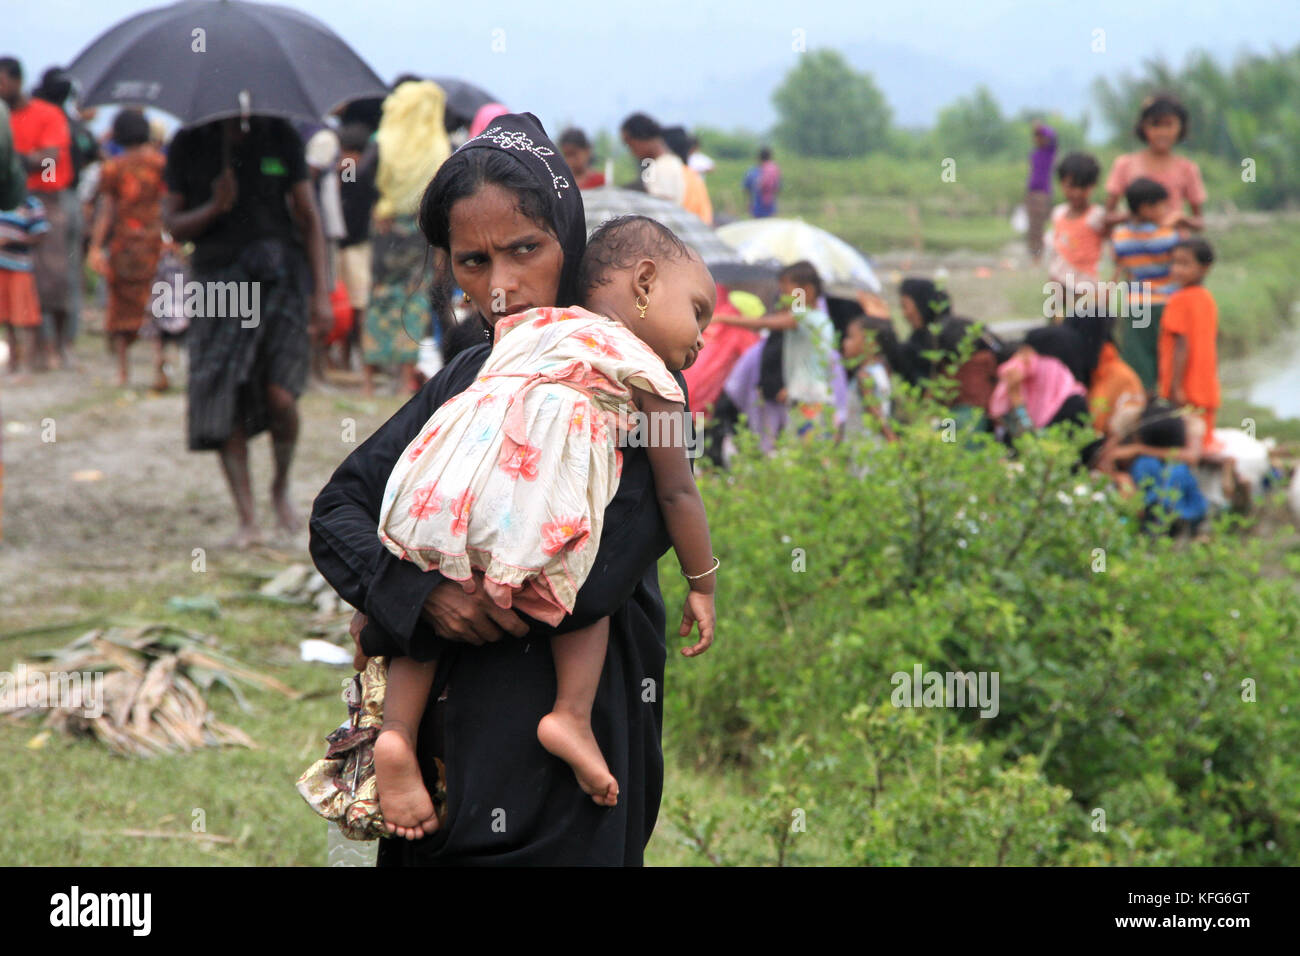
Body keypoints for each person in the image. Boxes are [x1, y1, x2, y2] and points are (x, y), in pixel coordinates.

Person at [308, 111, 693, 866]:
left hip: (571, 739)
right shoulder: (465, 379)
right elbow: (336, 513)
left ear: (570, 240)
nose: (503, 287)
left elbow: (600, 572)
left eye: (526, 249)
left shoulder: (640, 382)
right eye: (472, 261)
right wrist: (423, 599)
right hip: (445, 757)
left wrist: (402, 609)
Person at [371, 216, 717, 837]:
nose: (700, 342)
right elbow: (677, 490)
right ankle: (570, 715)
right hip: (531, 499)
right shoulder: (651, 377)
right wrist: (703, 580)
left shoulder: (526, 331)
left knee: (433, 582)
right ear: (644, 282)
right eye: (697, 313)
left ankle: (395, 733)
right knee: (576, 576)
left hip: (450, 477)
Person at [162, 115, 332, 548]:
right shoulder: (189, 142)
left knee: (281, 395)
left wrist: (322, 294)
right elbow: (172, 225)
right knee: (226, 396)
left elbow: (309, 218)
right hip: (220, 282)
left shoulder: (281, 134)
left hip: (281, 278)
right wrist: (213, 208)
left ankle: (280, 485)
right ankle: (247, 516)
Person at [364, 80, 449, 397]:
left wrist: (382, 204)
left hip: (386, 228)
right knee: (414, 299)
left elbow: (362, 177)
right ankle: (401, 380)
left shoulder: (384, 140)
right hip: (420, 229)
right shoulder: (437, 146)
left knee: (380, 296)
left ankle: (369, 380)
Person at [0, 57, 73, 371]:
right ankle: (25, 353)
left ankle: (59, 347)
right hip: (8, 202)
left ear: (17, 80)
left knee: (52, 275)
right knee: (14, 279)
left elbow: (50, 160)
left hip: (44, 197)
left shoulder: (48, 114)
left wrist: (15, 161)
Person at [87, 108, 166, 386]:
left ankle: (124, 373)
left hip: (124, 245)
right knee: (158, 305)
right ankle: (160, 367)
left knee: (121, 307)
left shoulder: (113, 168)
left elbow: (106, 210)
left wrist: (95, 246)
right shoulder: (160, 163)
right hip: (156, 243)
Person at [1111, 177, 1180, 391]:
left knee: (1139, 356)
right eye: (1162, 206)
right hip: (1165, 302)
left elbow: (1120, 264)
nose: (1166, 211)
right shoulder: (1168, 236)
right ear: (1146, 208)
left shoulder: (1120, 236)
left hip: (1137, 304)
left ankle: (1145, 397)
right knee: (1166, 352)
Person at [1104, 93, 1205, 231]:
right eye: (1156, 124)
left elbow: (1199, 222)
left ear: (1180, 127)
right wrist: (1136, 216)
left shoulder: (1187, 169)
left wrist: (1180, 219)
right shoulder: (1125, 164)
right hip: (1136, 247)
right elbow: (1107, 217)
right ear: (1144, 126)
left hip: (1175, 247)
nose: (1162, 132)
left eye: (1169, 125)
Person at [1158, 237, 1220, 451]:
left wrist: (1176, 388)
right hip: (1206, 386)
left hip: (1185, 390)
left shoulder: (1178, 300)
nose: (1176, 269)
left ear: (1204, 268)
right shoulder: (1207, 298)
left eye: (1184, 264)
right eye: (1174, 263)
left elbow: (1181, 346)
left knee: (1186, 447)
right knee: (1205, 442)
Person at [336, 122, 378, 372]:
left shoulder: (356, 172)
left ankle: (362, 363)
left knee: (358, 306)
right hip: (350, 246)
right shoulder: (359, 171)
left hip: (356, 247)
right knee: (347, 308)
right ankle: (347, 360)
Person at [1048, 151, 1107, 309]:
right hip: (1058, 286)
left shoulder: (1096, 216)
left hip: (1086, 288)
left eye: (1083, 187)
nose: (1076, 193)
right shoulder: (1058, 213)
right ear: (1061, 184)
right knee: (1058, 329)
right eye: (1071, 186)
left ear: (1092, 187)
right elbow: (1057, 251)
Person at [0, 192, 48, 380]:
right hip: (1, 267)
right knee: (6, 317)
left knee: (26, 317)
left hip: (20, 267)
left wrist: (12, 240)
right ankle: (13, 362)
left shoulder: (30, 203)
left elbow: (41, 233)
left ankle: (28, 365)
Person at [621, 113, 685, 206]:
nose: (631, 151)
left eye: (630, 144)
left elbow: (661, 206)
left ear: (641, 138)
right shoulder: (671, 162)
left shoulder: (662, 167)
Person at [1025, 123, 1057, 259]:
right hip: (1031, 192)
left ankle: (1039, 255)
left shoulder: (1049, 152)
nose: (1037, 139)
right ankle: (1034, 255)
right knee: (1032, 226)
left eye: (1040, 136)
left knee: (1039, 225)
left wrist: (1040, 128)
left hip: (1043, 193)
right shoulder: (1035, 154)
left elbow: (1054, 136)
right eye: (1036, 136)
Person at [743, 147, 781, 219]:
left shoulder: (752, 171)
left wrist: (748, 203)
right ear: (770, 157)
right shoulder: (774, 170)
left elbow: (746, 189)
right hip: (770, 205)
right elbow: (778, 188)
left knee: (758, 227)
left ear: (758, 158)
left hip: (757, 206)